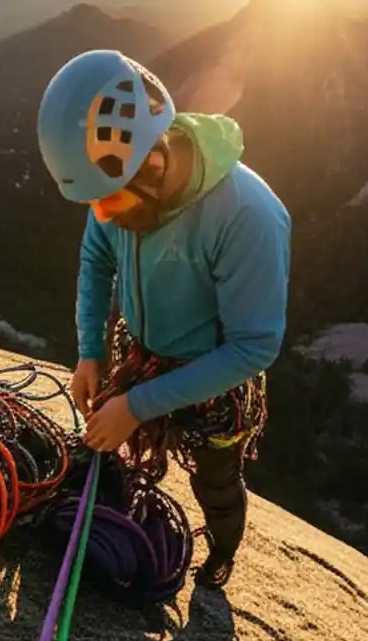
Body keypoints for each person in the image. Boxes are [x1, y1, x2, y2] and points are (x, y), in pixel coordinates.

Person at [36, 49, 290, 588]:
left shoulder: (247, 214)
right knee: (102, 440)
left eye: (108, 200)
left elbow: (253, 348)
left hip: (214, 374)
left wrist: (138, 404)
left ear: (154, 158)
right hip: (144, 350)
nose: (100, 215)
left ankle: (222, 549)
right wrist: (90, 351)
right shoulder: (120, 180)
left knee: (217, 480)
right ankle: (111, 519)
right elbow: (96, 260)